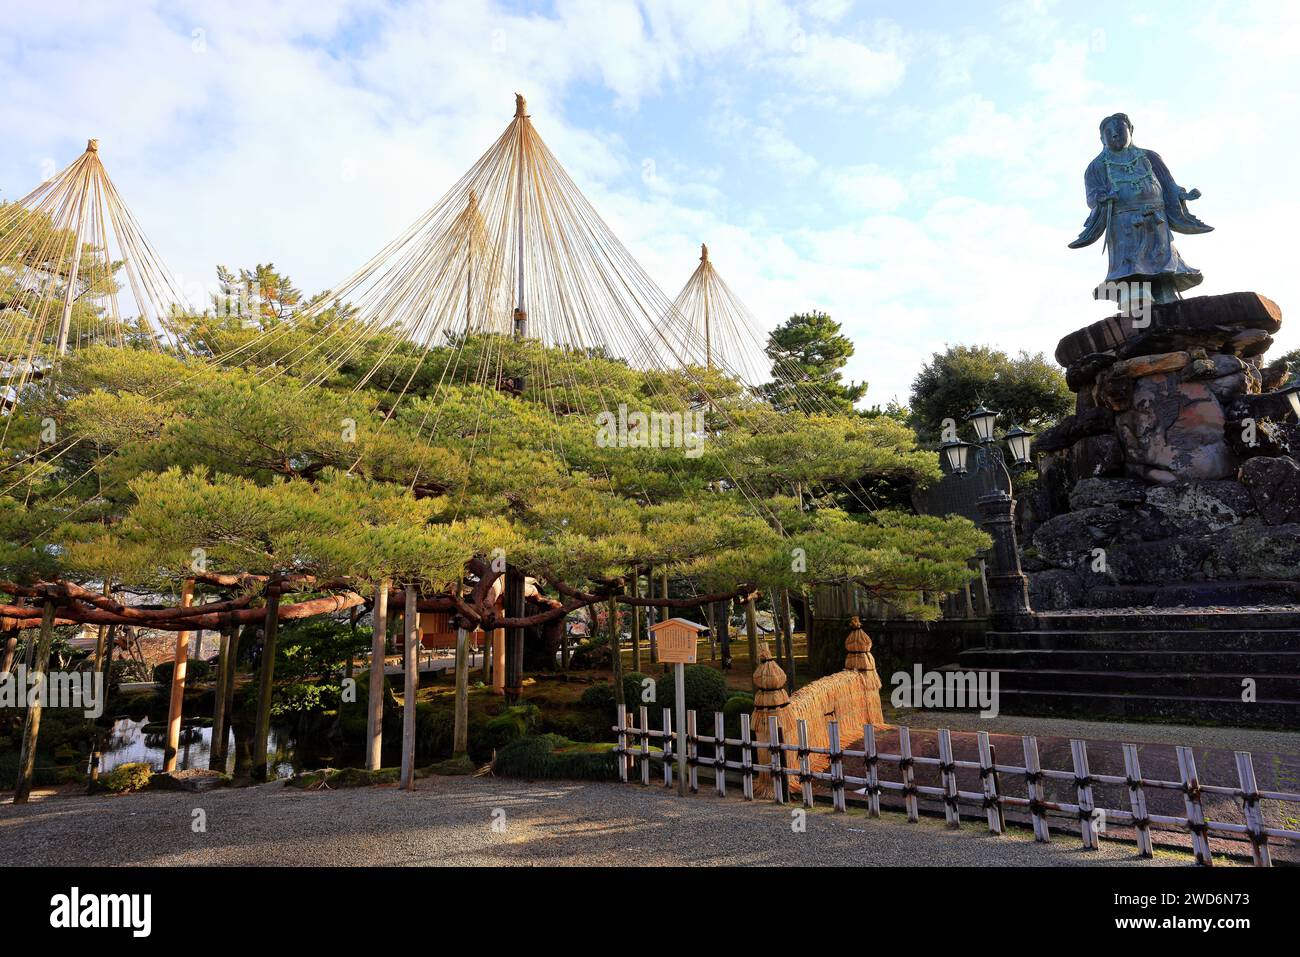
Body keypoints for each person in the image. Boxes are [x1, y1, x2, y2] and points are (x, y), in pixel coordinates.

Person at [1069, 113, 1212, 308]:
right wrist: (1102, 198)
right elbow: (1092, 196)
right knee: (1131, 265)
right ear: (1102, 139)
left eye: (1119, 130)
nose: (1115, 135)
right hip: (1124, 223)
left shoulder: (1149, 157)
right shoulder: (1096, 167)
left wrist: (1182, 194)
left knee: (1162, 261)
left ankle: (1168, 298)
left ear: (1131, 131)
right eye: (1109, 133)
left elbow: (1169, 185)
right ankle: (1137, 306)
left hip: (1156, 218)